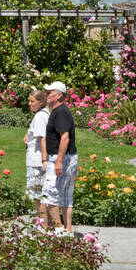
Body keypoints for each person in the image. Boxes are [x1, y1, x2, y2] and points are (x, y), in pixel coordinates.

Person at [41, 81, 78, 234]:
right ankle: (67, 230)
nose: (46, 95)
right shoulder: (60, 111)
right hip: (68, 157)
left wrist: (59, 161)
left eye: (50, 92)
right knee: (65, 196)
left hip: (61, 158)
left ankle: (59, 230)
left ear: (58, 95)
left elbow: (65, 137)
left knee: (49, 195)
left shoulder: (61, 112)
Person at [22, 90, 50, 224]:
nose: (29, 104)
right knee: (40, 194)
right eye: (29, 101)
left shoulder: (39, 116)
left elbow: (42, 138)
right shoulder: (45, 114)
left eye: (32, 101)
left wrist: (43, 159)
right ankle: (43, 222)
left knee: (39, 195)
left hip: (36, 160)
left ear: (40, 102)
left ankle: (43, 225)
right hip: (38, 159)